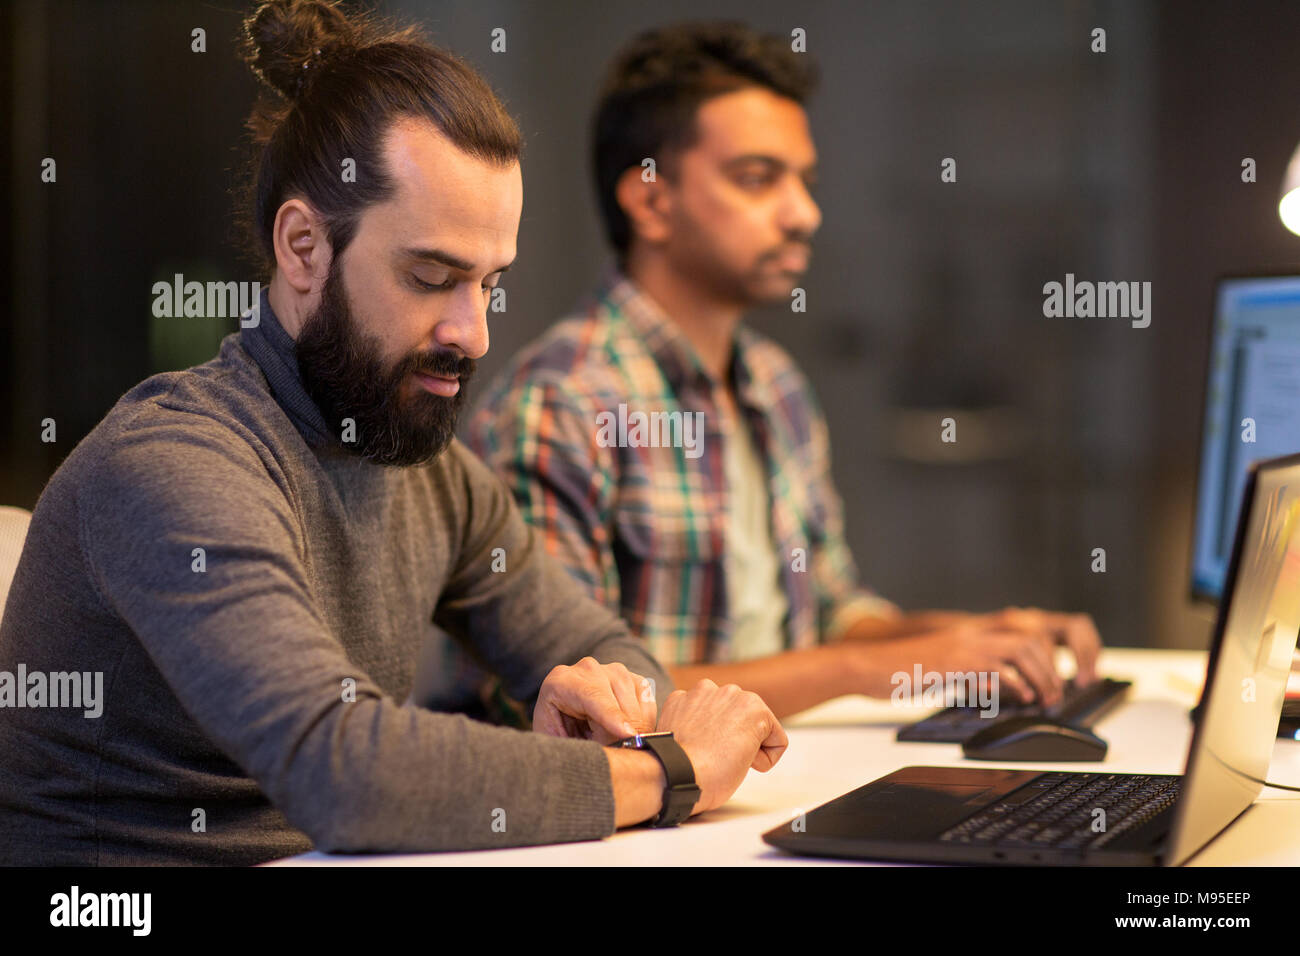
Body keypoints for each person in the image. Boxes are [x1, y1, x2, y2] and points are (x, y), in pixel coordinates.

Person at [0, 1, 785, 867]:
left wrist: (613, 707)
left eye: (489, 284)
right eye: (431, 277)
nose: (474, 334)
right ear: (304, 247)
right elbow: (347, 774)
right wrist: (663, 772)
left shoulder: (429, 472)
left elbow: (605, 650)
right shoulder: (172, 466)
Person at [465, 21, 1102, 720]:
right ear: (650, 200)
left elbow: (833, 615)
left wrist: (971, 639)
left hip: (786, 764)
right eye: (758, 178)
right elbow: (575, 697)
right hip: (666, 790)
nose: (804, 213)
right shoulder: (560, 403)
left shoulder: (775, 384)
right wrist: (865, 669)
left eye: (805, 182)